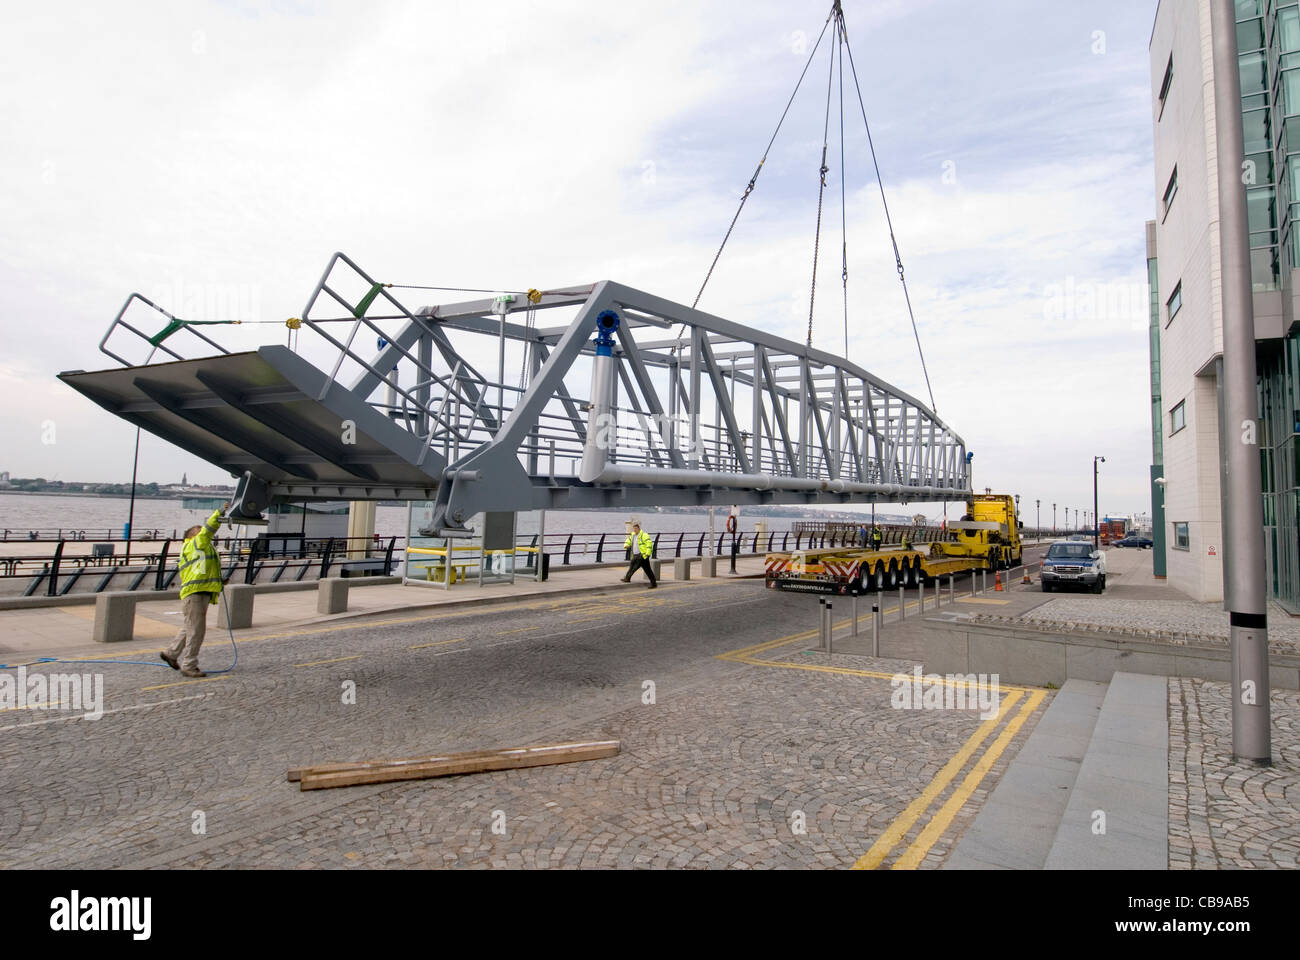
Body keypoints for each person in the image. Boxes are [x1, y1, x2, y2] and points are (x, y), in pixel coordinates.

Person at [161, 503, 228, 677]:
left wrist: (219, 581)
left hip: (199, 592)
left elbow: (202, 568)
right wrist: (219, 513)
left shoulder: (198, 548)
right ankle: (189, 665)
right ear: (192, 536)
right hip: (196, 593)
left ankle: (171, 653)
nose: (204, 533)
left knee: (190, 627)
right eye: (199, 531)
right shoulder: (196, 544)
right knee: (197, 631)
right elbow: (208, 529)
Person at [620, 522, 657, 588]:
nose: (635, 530)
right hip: (635, 555)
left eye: (636, 528)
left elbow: (649, 544)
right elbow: (628, 540)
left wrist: (647, 553)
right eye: (634, 529)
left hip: (642, 555)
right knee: (633, 566)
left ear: (639, 528)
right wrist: (626, 545)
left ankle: (653, 583)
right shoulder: (633, 535)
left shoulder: (644, 535)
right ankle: (627, 578)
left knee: (637, 568)